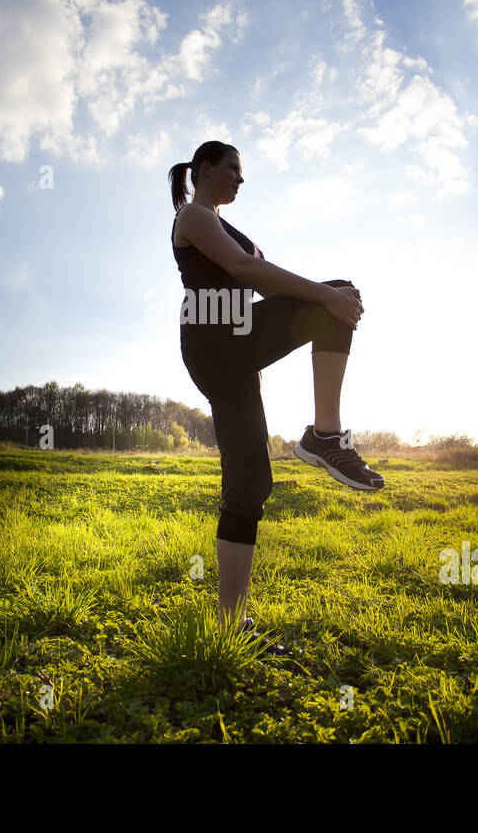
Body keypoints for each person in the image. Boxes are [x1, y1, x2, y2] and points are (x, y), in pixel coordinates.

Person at [169, 140, 384, 639]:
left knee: (249, 484)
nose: (241, 179)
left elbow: (267, 285)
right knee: (333, 296)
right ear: (204, 169)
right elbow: (246, 272)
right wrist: (328, 294)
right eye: (234, 169)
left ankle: (230, 623)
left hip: (234, 351)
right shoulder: (194, 216)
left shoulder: (239, 232)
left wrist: (323, 300)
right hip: (215, 333)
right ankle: (325, 436)